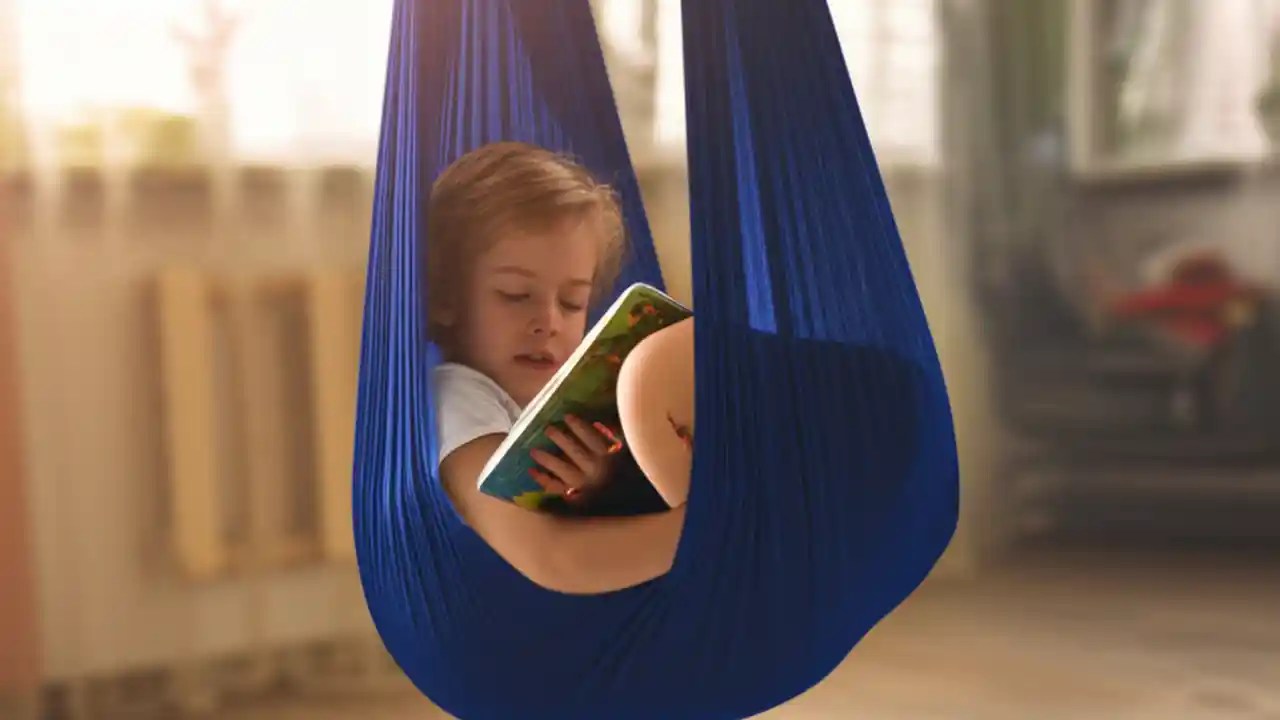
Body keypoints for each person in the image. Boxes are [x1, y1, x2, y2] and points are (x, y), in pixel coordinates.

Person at [424, 141, 695, 594]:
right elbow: (551, 556)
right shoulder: (457, 397)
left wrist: (596, 486)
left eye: (572, 303)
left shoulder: (564, 401)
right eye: (515, 294)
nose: (548, 323)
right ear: (447, 298)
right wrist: (713, 531)